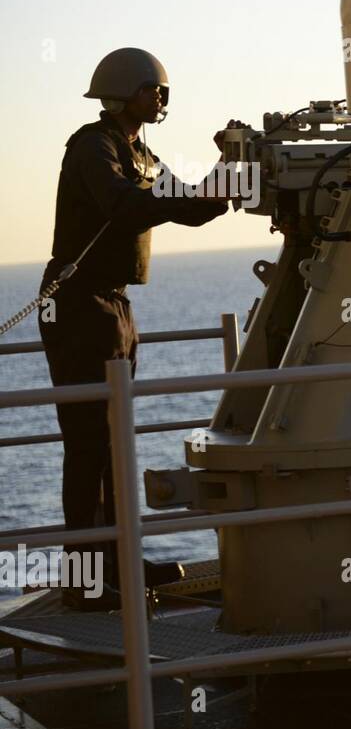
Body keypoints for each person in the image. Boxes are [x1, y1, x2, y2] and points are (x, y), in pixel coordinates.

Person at [38, 47, 232, 610]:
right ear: (126, 90)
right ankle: (86, 579)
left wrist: (226, 183)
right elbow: (125, 206)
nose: (162, 100)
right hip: (78, 302)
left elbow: (185, 208)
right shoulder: (92, 146)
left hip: (114, 305)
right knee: (87, 443)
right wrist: (186, 196)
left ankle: (118, 561)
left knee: (113, 443)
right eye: (155, 90)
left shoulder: (138, 151)